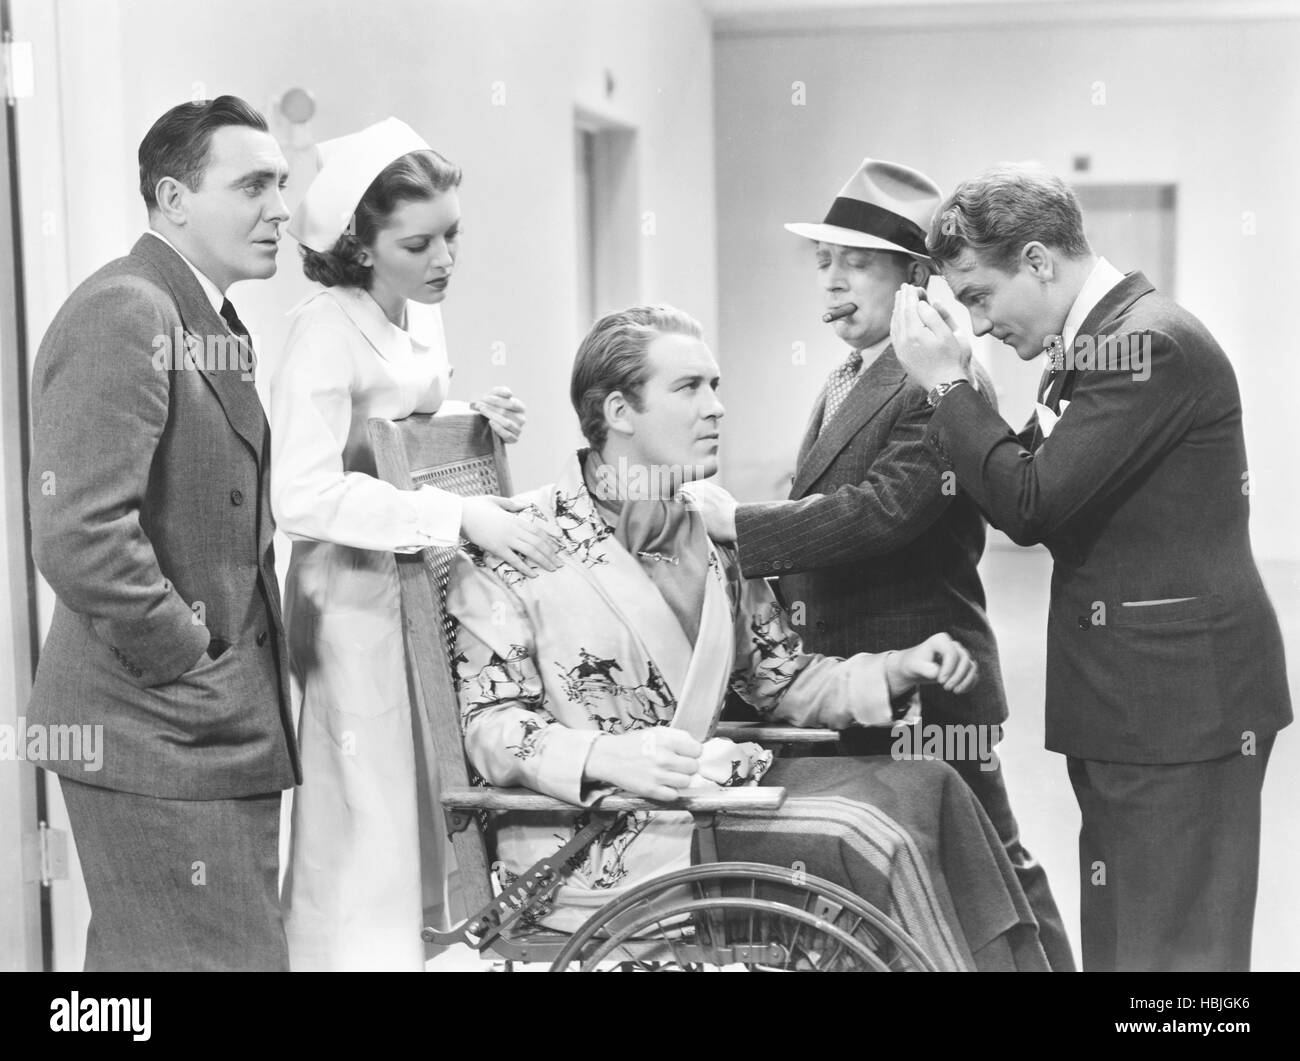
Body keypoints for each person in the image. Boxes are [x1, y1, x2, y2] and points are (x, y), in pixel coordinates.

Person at [445, 304, 1055, 971]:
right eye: (689, 388)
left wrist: (894, 670)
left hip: (700, 803)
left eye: (715, 385)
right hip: (604, 836)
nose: (717, 407)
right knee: (870, 838)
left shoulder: (707, 531)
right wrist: (609, 756)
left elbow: (781, 676)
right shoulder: (519, 543)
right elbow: (488, 725)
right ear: (619, 412)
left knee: (934, 786)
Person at [889, 162, 1292, 972]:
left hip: (1178, 707)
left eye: (978, 296)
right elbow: (1025, 477)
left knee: (1177, 958)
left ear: (1038, 260)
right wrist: (965, 383)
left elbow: (1030, 502)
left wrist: (944, 385)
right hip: (1137, 700)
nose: (979, 321)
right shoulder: (1095, 341)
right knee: (1128, 943)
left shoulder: (1142, 343)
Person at [689, 157, 1073, 971]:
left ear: (916, 278)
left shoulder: (937, 379)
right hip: (864, 679)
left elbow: (884, 510)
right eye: (824, 261)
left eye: (856, 263)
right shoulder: (850, 375)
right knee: (958, 878)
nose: (831, 281)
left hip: (929, 684)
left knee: (997, 877)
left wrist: (743, 527)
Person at [271, 117, 559, 971]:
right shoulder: (322, 327)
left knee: (424, 796)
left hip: (414, 589)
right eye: (418, 242)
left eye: (452, 236)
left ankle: (423, 956)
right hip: (350, 599)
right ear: (360, 247)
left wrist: (477, 414)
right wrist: (455, 516)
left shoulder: (418, 317)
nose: (444, 260)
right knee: (367, 813)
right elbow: (302, 492)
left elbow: (405, 415)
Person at [26, 96, 299, 970]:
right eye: (252, 183)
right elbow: (78, 531)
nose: (280, 209)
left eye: (282, 184)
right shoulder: (130, 310)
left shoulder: (205, 318)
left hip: (205, 730)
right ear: (174, 198)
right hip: (158, 727)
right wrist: (188, 659)